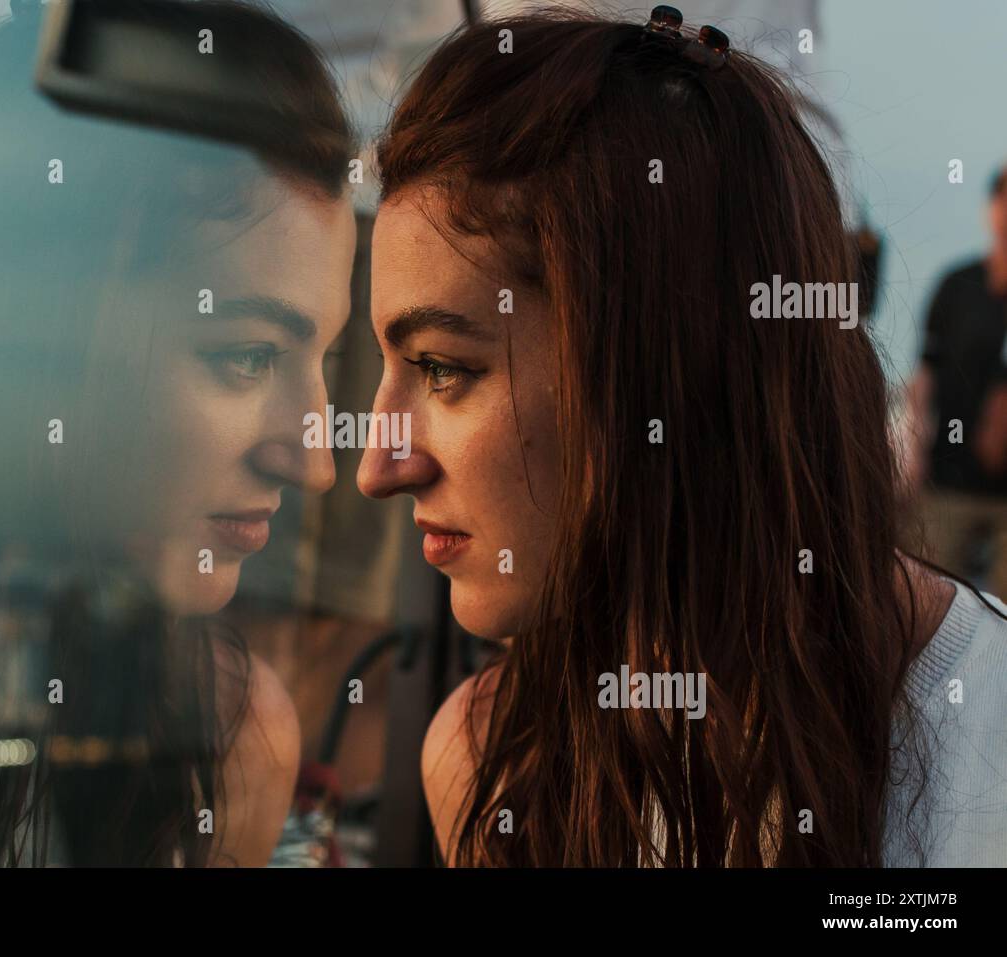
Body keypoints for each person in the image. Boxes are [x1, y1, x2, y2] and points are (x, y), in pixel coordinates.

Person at [358, 10, 1007, 866]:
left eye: (442, 367)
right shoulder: (488, 758)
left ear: (660, 363)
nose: (376, 465)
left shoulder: (983, 731)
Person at [0, 0, 356, 866]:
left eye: (325, 359)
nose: (317, 461)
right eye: (250, 357)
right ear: (34, 327)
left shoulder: (234, 739)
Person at [904, 167, 1007, 595]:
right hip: (948, 481)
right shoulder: (957, 284)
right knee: (928, 602)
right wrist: (912, 449)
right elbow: (925, 372)